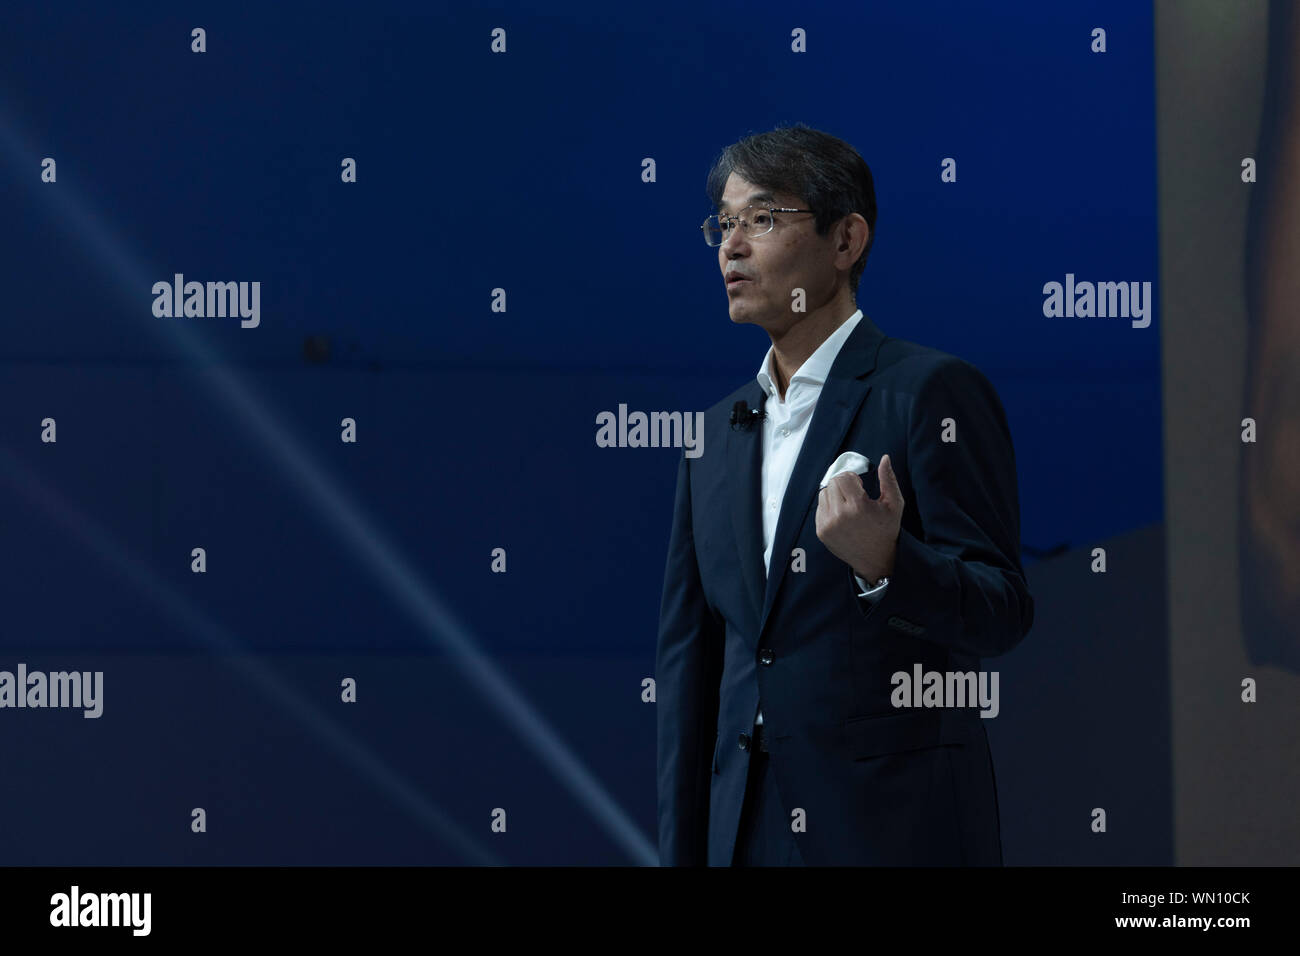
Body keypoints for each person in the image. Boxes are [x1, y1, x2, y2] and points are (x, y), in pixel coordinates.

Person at [655, 124, 1034, 866]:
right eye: (724, 224)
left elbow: (1002, 612)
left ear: (846, 239)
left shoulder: (929, 391)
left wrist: (888, 565)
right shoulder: (714, 434)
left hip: (893, 830)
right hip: (746, 834)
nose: (732, 246)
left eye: (763, 218)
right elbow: (689, 667)